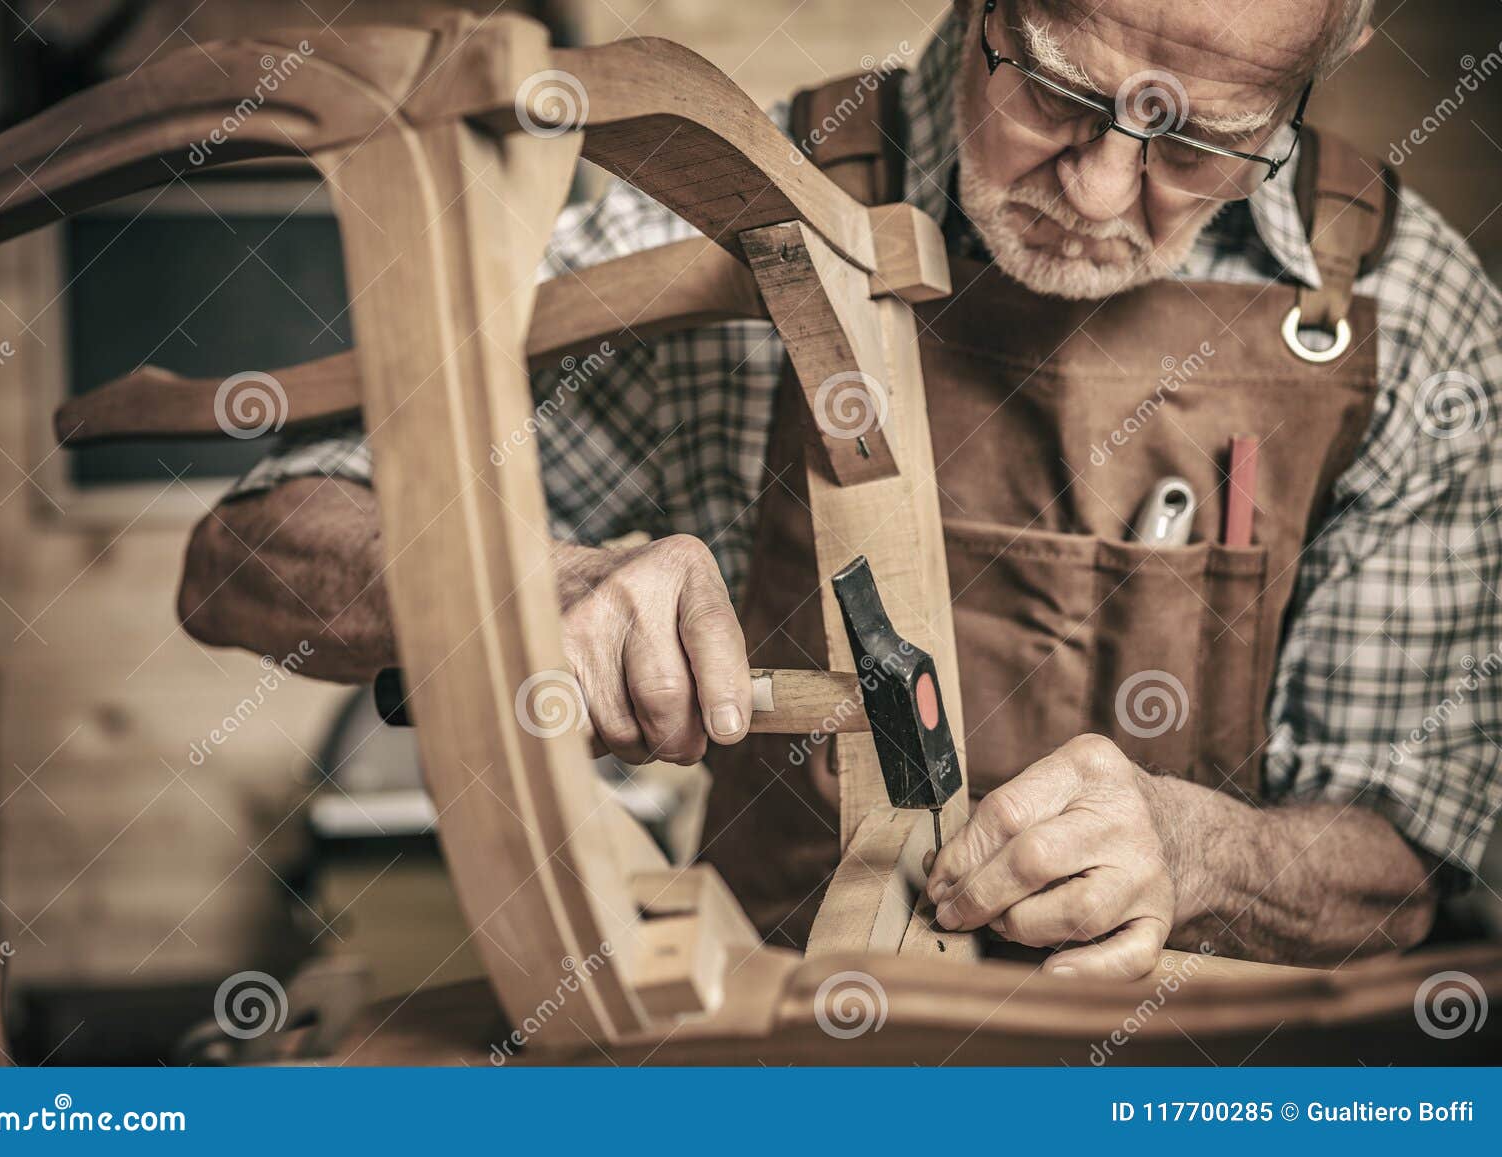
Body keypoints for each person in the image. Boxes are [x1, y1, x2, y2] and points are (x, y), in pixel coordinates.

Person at [178, 0, 1501, 978]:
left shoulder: (1404, 310)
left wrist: (1211, 855)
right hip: (799, 1066)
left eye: (1200, 144)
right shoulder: (718, 204)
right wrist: (531, 588)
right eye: (1058, 93)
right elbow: (246, 550)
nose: (1102, 189)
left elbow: (1412, 851)